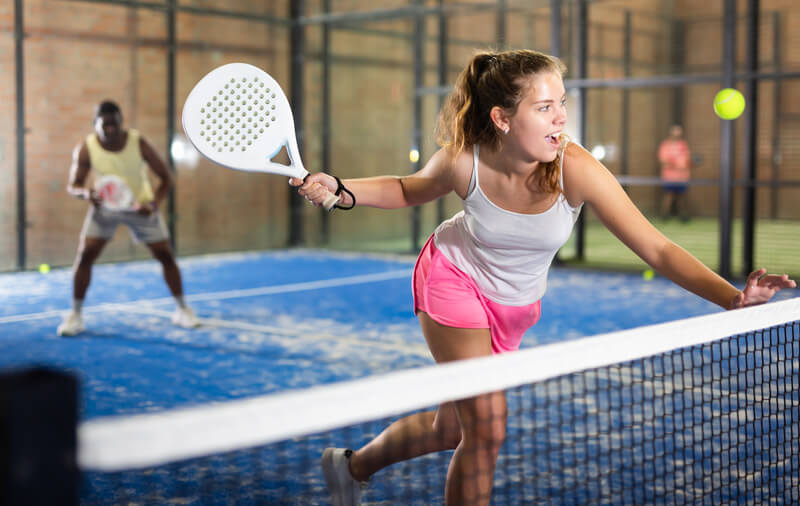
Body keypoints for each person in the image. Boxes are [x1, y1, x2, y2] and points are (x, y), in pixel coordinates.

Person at [293, 50, 795, 506]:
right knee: (486, 429)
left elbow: (658, 249)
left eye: (562, 104)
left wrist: (732, 299)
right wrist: (341, 189)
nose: (561, 119)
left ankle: (350, 467)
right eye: (545, 107)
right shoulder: (464, 160)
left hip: (514, 305)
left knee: (450, 429)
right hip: (452, 280)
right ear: (503, 119)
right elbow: (408, 189)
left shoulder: (575, 169)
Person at [57, 100, 199, 336]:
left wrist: (152, 204)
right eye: (105, 125)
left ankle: (183, 309)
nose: (110, 128)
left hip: (140, 206)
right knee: (85, 255)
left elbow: (166, 179)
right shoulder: (86, 147)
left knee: (165, 254)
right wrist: (87, 194)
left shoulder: (138, 143)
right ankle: (75, 315)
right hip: (104, 207)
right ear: (96, 125)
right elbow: (74, 185)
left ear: (122, 123)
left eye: (115, 123)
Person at [658, 124, 692, 221]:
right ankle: (664, 215)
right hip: (669, 177)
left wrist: (686, 165)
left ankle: (683, 216)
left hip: (682, 177)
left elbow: (687, 159)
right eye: (675, 131)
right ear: (671, 132)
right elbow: (663, 161)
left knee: (682, 196)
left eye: (679, 131)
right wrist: (675, 164)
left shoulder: (683, 145)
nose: (677, 133)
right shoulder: (665, 145)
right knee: (669, 195)